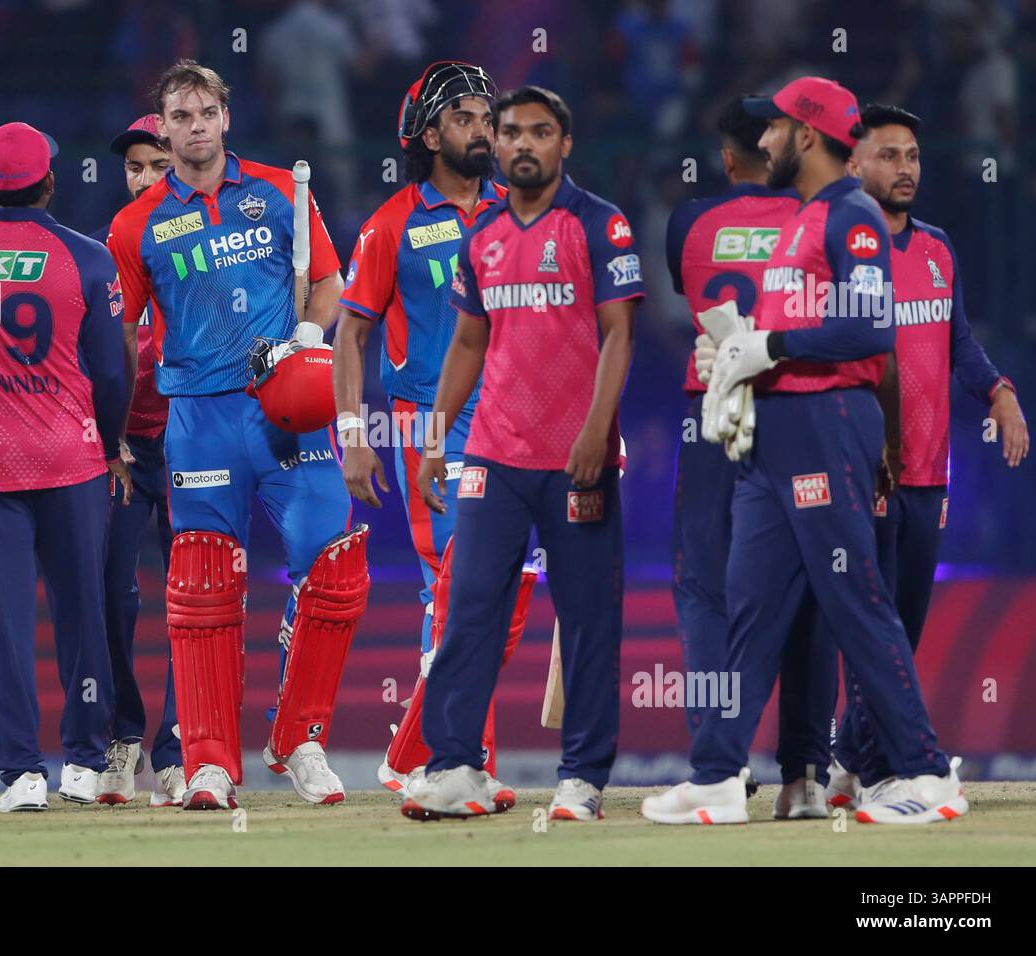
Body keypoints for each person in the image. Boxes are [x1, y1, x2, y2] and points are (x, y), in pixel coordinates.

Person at [642, 77, 968, 826]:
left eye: (776, 129)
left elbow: (870, 332)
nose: (763, 143)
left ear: (808, 134)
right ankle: (720, 776)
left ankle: (925, 770)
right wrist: (737, 352)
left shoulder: (852, 217)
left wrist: (769, 345)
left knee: (855, 598)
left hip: (827, 422)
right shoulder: (808, 217)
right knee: (751, 608)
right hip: (777, 434)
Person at [108, 60, 368, 810]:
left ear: (225, 117)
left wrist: (306, 338)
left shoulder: (284, 191)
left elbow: (330, 279)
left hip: (287, 411)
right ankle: (210, 761)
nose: (194, 127)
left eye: (205, 112)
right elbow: (121, 335)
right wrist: (116, 430)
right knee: (201, 593)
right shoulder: (136, 224)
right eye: (179, 116)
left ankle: (300, 740)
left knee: (333, 568)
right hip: (197, 421)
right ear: (164, 128)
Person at [402, 86, 643, 822]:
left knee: (587, 616)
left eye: (541, 132)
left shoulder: (601, 225)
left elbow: (619, 335)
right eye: (511, 133)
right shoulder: (482, 239)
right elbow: (469, 343)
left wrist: (597, 434)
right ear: (498, 147)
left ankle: (582, 778)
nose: (523, 145)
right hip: (494, 455)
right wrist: (436, 438)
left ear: (565, 144)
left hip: (578, 456)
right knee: (469, 607)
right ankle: (453, 768)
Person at [331, 61, 530, 800]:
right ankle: (456, 759)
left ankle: (419, 751)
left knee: (495, 589)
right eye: (465, 118)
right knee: (462, 587)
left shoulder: (520, 211)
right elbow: (349, 335)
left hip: (516, 419)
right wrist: (355, 434)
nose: (483, 130)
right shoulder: (392, 224)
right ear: (425, 134)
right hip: (429, 425)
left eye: (488, 117)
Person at [825, 103, 1028, 805]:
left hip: (927, 472)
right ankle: (890, 768)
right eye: (888, 155)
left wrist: (999, 393)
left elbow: (958, 344)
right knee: (873, 624)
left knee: (902, 628)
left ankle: (848, 755)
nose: (904, 168)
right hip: (859, 473)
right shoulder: (834, 250)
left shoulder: (937, 249)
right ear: (853, 165)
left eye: (912, 155)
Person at [0, 122, 130, 812]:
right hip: (71, 460)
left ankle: (20, 774)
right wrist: (109, 443)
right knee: (83, 615)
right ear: (49, 181)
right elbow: (111, 370)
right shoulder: (87, 258)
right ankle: (82, 762)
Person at [666, 96, 834, 819]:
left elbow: (690, 292)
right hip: (801, 416)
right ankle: (805, 776)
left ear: (728, 158)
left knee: (706, 590)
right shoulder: (821, 219)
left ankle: (717, 766)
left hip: (714, 417)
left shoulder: (689, 222)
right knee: (807, 597)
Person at [88, 115, 185, 808]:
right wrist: (104, 437)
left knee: (196, 602)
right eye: (135, 168)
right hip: (121, 452)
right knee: (112, 597)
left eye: (158, 166)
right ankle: (122, 736)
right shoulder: (102, 253)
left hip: (190, 444)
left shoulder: (202, 247)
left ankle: (179, 744)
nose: (146, 180)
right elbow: (86, 360)